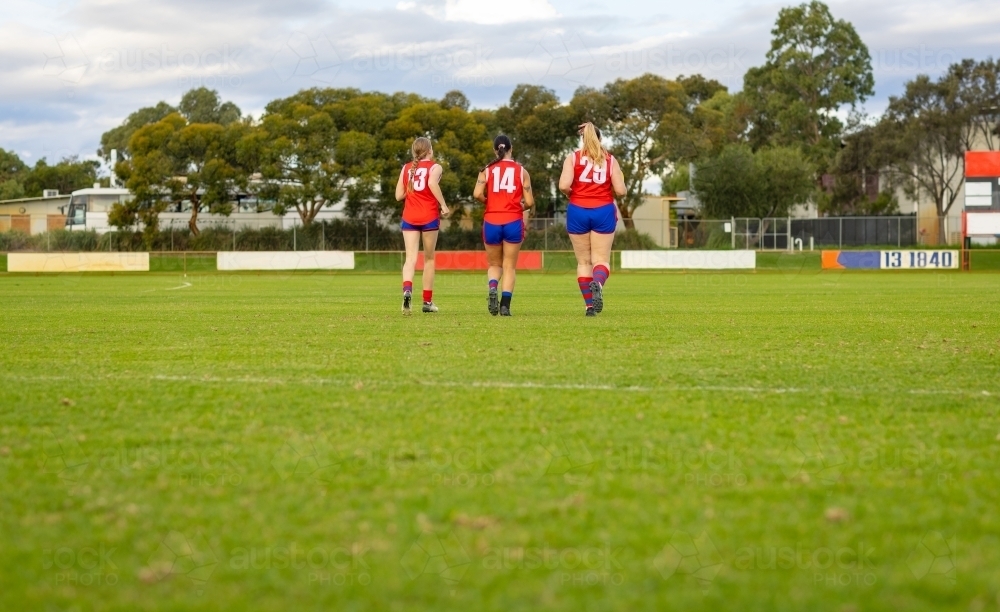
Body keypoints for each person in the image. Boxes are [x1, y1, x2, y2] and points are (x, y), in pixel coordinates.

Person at [557, 123, 627, 316]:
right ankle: (598, 283)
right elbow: (621, 191)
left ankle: (589, 307)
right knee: (601, 260)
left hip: (578, 210)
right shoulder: (610, 160)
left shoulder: (572, 158)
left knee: (583, 262)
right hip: (603, 210)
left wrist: (572, 193)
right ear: (600, 139)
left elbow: (563, 185)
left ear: (583, 139)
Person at [473, 135, 534, 316]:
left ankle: (493, 287)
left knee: (494, 264)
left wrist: (489, 202)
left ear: (495, 150)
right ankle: (505, 306)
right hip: (513, 221)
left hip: (492, 220)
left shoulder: (487, 170)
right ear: (511, 149)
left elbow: (477, 194)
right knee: (509, 266)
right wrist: (520, 205)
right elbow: (529, 202)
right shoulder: (522, 171)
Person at [394, 137, 450, 315]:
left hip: (410, 216)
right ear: (430, 150)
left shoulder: (406, 168)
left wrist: (412, 190)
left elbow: (398, 196)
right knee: (429, 259)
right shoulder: (435, 167)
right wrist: (443, 204)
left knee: (410, 259)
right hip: (429, 216)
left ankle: (407, 290)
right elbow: (432, 183)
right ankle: (427, 302)